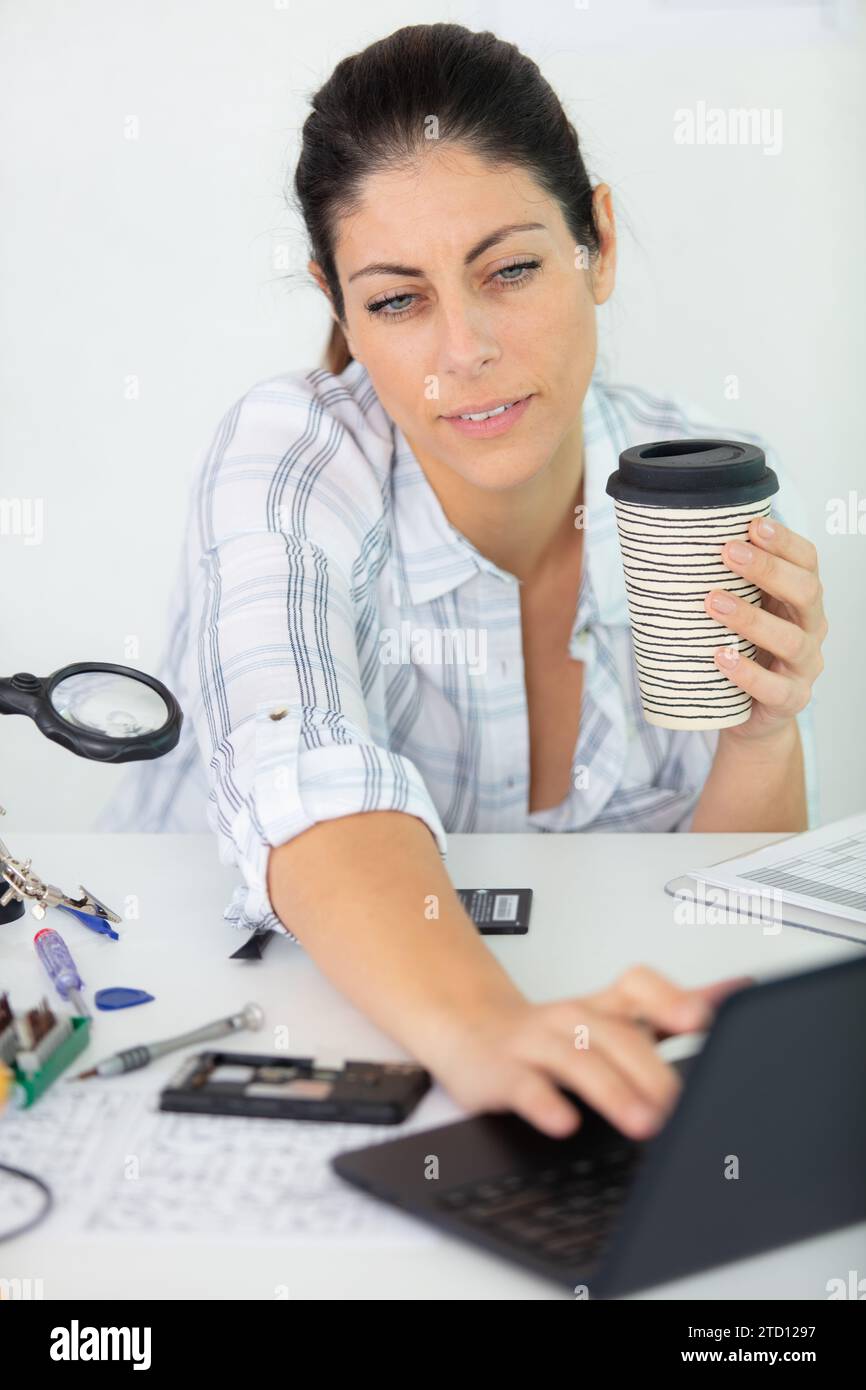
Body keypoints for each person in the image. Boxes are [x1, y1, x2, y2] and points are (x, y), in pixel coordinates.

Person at [99, 23, 826, 1140]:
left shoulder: (688, 490)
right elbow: (310, 779)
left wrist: (761, 739)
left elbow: (715, 916)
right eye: (397, 300)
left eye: (512, 268)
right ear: (339, 307)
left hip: (543, 1050)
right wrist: (490, 1030)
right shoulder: (289, 459)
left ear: (600, 244)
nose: (465, 348)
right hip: (232, 1017)